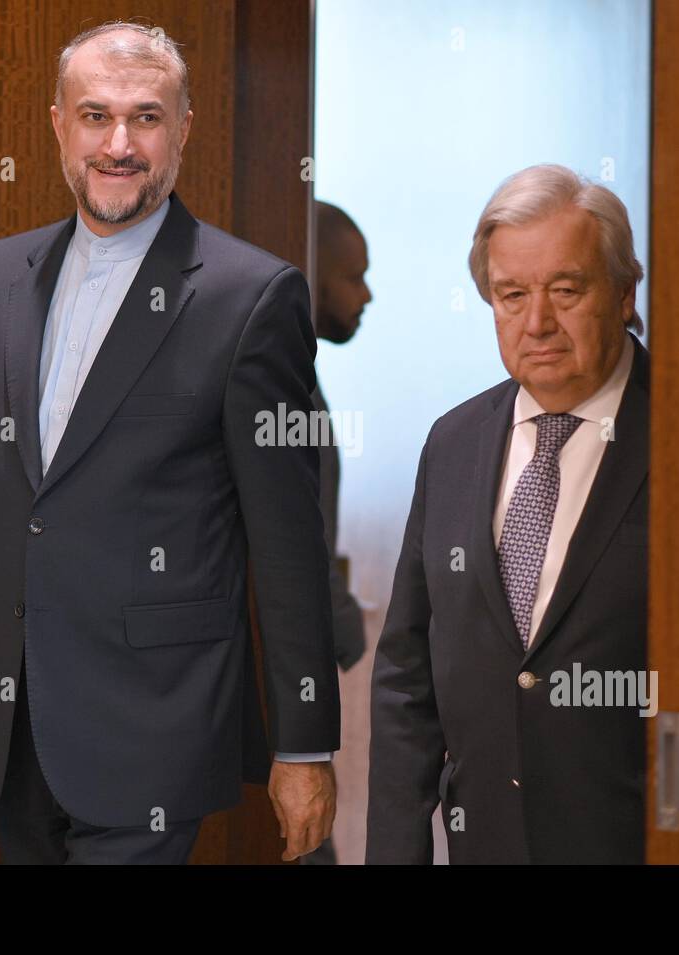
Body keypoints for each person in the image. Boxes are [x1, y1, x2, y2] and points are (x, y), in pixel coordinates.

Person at [0, 20, 340, 865]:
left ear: (184, 128)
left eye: (146, 117)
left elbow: (288, 542)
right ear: (58, 124)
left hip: (159, 730)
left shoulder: (253, 297)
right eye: (95, 115)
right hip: (14, 727)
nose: (120, 143)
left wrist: (305, 744)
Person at [366, 164, 648, 864]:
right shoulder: (454, 442)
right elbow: (407, 671)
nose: (537, 322)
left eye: (565, 290)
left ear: (623, 293)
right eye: (511, 294)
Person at [299, 201, 372, 865]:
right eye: (355, 276)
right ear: (317, 277)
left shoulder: (307, 376)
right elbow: (297, 543)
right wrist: (349, 629)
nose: (367, 293)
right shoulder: (287, 383)